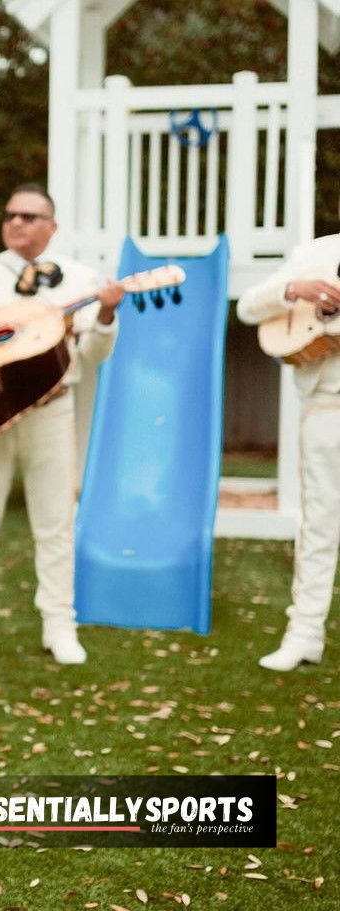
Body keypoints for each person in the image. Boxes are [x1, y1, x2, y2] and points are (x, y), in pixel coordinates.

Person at [0, 183, 122, 665]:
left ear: (52, 228)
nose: (16, 222)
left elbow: (97, 356)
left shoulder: (81, 279)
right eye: (11, 214)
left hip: (51, 413)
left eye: (30, 216)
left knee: (55, 523)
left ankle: (60, 626)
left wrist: (105, 313)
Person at [236, 230, 340, 671]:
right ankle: (305, 635)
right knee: (318, 524)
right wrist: (293, 290)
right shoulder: (315, 252)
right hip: (324, 404)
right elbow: (247, 306)